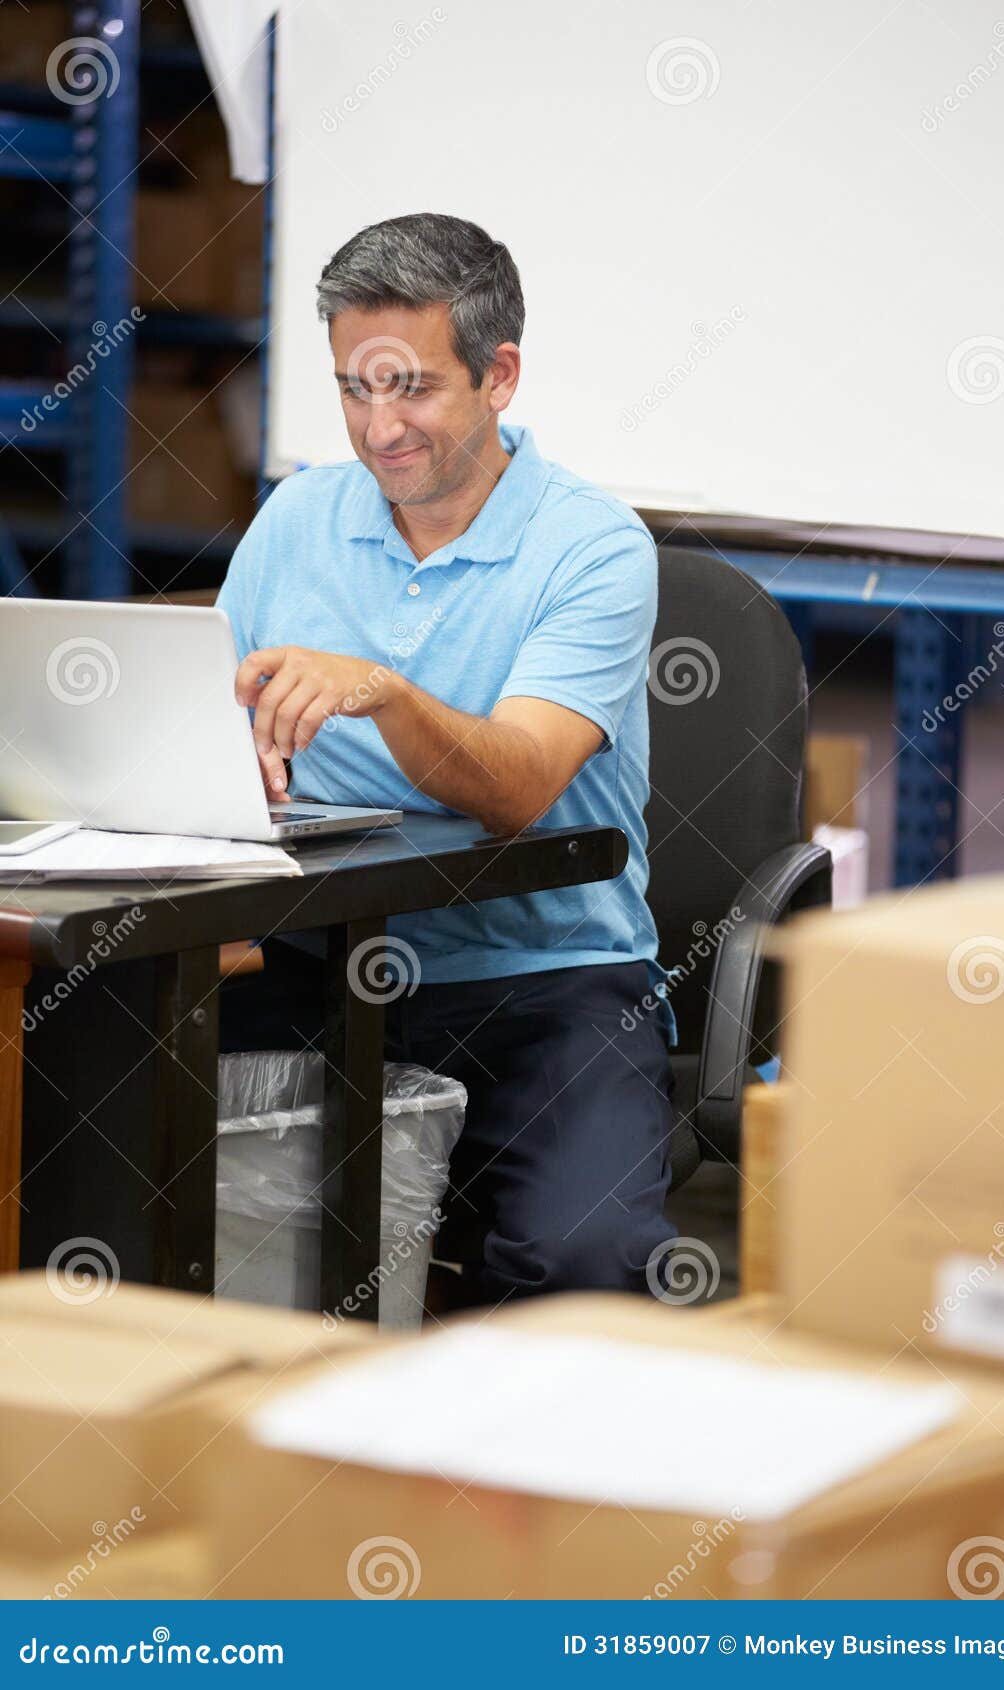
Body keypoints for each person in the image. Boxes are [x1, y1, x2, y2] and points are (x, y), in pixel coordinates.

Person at [217, 211, 676, 1305]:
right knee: (87, 1137)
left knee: (585, 1259)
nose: (379, 430)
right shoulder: (298, 517)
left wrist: (382, 692)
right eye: (351, 388)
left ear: (498, 373)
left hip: (541, 982)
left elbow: (516, 787)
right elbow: (212, 716)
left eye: (412, 387)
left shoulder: (594, 547)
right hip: (318, 964)